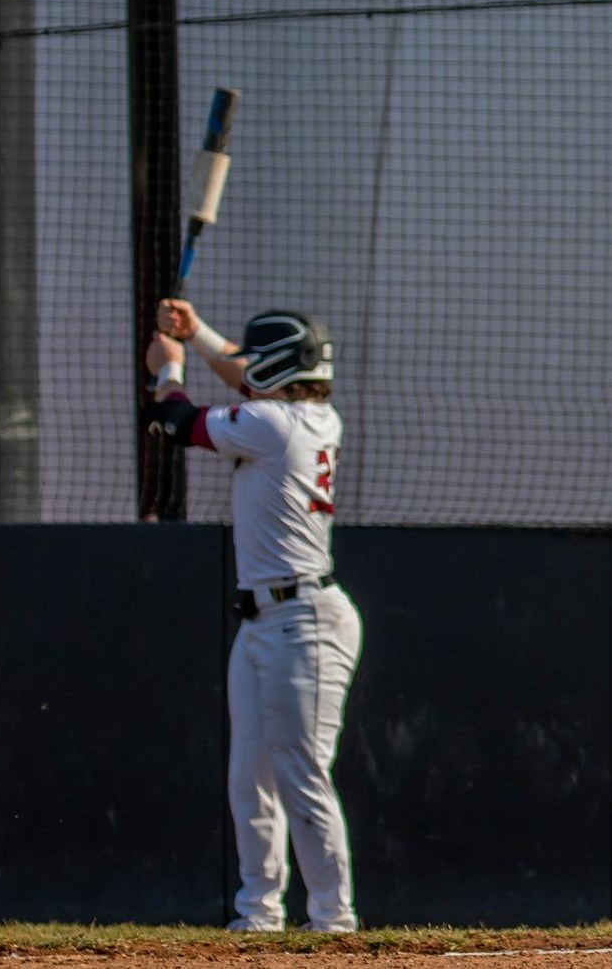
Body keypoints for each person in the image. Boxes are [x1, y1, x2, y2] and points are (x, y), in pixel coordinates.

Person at [143, 298, 364, 934]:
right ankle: (259, 914)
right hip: (266, 621)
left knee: (300, 773)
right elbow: (247, 381)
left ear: (278, 366)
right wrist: (197, 334)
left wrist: (169, 367)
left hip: (306, 622)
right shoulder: (307, 418)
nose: (244, 365)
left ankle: (333, 922)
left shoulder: (273, 424)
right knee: (251, 776)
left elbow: (174, 422)